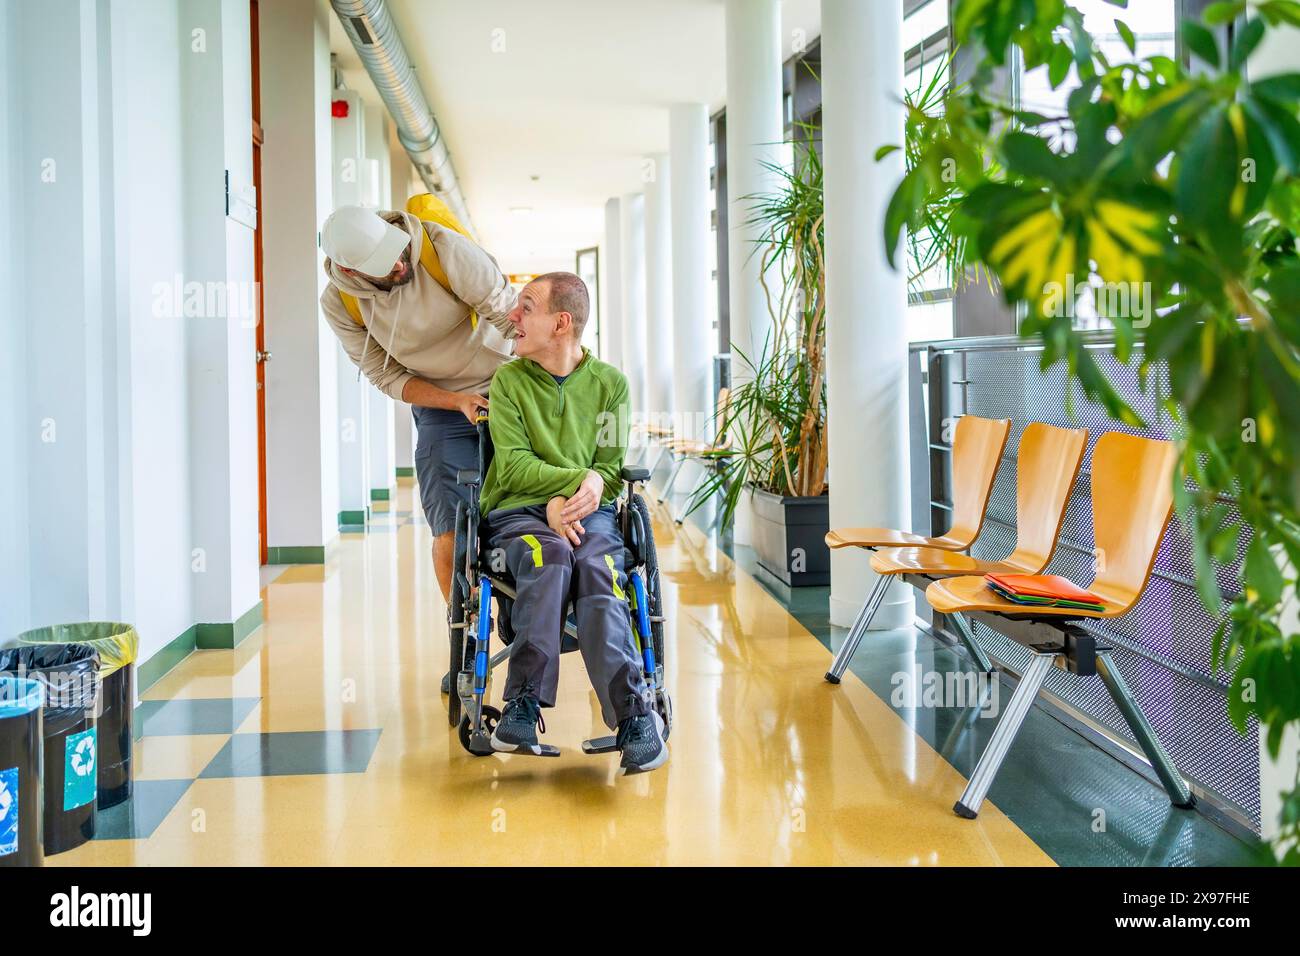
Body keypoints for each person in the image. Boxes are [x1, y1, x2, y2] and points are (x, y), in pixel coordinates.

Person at [478, 272, 667, 774]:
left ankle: (633, 717)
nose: (512, 318)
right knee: (550, 555)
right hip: (518, 512)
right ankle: (522, 702)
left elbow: (608, 465)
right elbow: (513, 464)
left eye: (526, 308)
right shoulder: (509, 382)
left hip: (590, 515)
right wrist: (565, 489)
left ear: (561, 323)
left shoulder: (610, 386)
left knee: (600, 568)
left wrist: (590, 486)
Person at [319, 202, 516, 601]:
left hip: (507, 382)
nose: (397, 264)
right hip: (441, 402)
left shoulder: (441, 249)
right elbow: (385, 374)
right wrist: (454, 400)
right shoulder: (341, 303)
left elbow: (509, 316)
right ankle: (462, 628)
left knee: (522, 502)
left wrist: (532, 387)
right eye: (382, 264)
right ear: (352, 273)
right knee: (449, 526)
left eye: (394, 250)